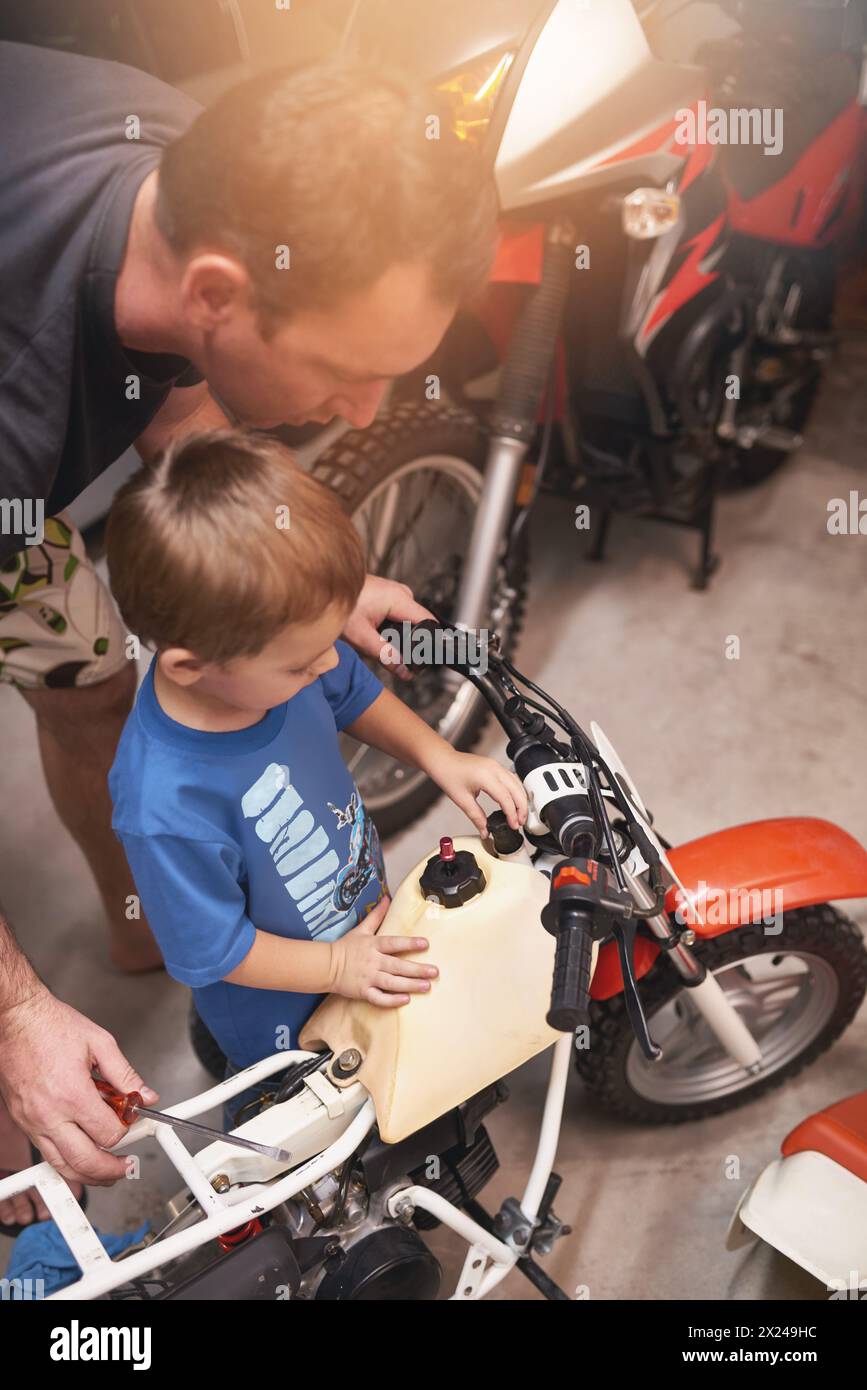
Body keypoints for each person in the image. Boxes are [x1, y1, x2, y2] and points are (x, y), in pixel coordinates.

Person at [0, 41, 497, 1228]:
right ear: (220, 293)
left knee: (83, 686)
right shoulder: (21, 386)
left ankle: (133, 929)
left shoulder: (184, 177)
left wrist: (314, 586)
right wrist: (16, 1013)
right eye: (346, 371)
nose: (368, 413)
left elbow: (179, 397)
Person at [105, 431, 526, 1103]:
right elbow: (216, 951)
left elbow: (355, 696)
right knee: (323, 1129)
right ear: (191, 666)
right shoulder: (164, 805)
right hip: (281, 1021)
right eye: (302, 662)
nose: (329, 665)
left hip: (359, 932)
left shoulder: (275, 660)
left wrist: (438, 756)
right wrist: (337, 965)